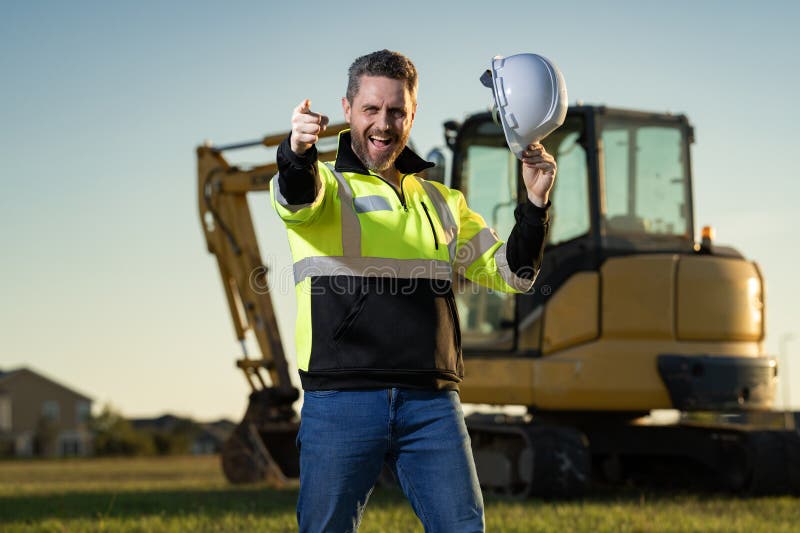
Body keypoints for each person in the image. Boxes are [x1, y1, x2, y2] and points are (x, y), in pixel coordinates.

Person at [271, 49, 556, 533]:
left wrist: (534, 201)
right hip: (341, 400)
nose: (383, 124)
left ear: (413, 113)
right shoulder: (326, 188)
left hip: (431, 404)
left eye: (396, 111)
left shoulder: (443, 203)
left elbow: (514, 274)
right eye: (371, 109)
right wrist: (296, 153)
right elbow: (296, 193)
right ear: (347, 109)